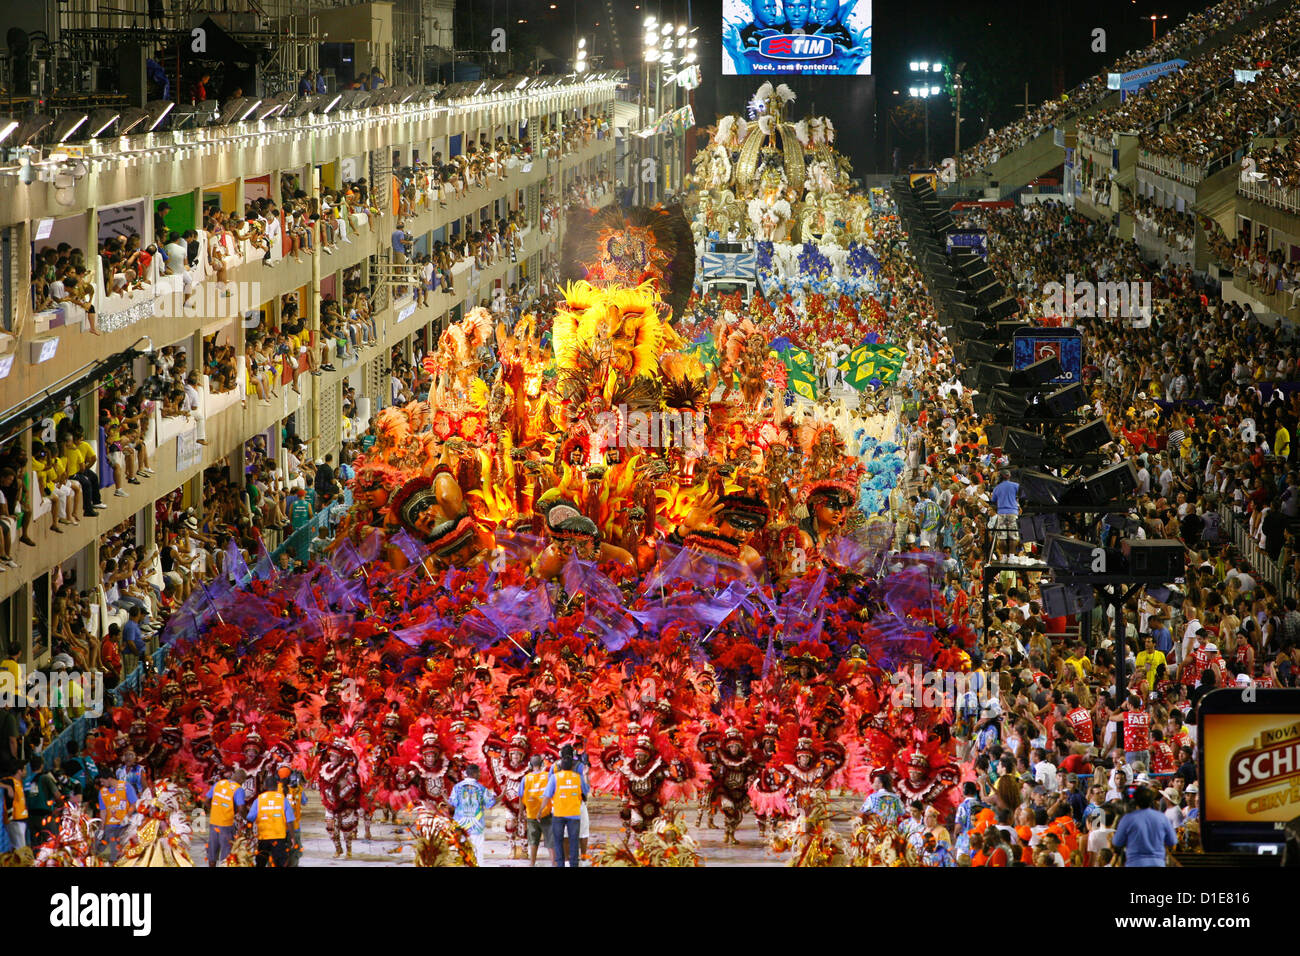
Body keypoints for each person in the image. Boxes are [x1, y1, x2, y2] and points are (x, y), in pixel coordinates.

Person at [542, 744, 588, 867]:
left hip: (558, 806)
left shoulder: (555, 766)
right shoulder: (580, 766)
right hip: (576, 806)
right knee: (579, 834)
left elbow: (549, 786)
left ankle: (562, 862)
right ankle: (579, 860)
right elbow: (585, 788)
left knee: (559, 838)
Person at [1112, 785, 1177, 867]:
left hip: (1134, 863)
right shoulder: (1162, 817)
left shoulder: (1128, 819)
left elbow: (1117, 842)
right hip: (1158, 863)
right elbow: (1172, 841)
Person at [448, 763, 496, 864]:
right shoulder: (482, 789)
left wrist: (445, 797)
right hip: (476, 825)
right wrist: (500, 795)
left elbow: (452, 803)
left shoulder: (457, 787)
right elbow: (490, 804)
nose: (480, 775)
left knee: (461, 850)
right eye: (479, 773)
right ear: (474, 773)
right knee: (478, 851)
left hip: (460, 825)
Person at [247, 771, 295, 867]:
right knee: (280, 863)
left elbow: (250, 818)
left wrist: (249, 833)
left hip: (263, 837)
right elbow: (289, 820)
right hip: (279, 838)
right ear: (277, 787)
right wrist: (292, 837)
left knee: (261, 863)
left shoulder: (259, 799)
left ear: (265, 786)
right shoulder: (283, 799)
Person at [205, 767, 246, 866]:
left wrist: (215, 810)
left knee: (212, 854)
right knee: (226, 857)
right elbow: (241, 809)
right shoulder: (238, 789)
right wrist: (246, 818)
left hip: (213, 822)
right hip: (226, 825)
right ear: (241, 780)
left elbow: (206, 801)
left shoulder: (219, 783)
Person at [97, 772, 139, 861]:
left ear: (109, 779)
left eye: (102, 781)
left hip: (125, 826)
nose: (101, 784)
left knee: (126, 853)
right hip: (110, 827)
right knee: (114, 855)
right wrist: (101, 828)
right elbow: (103, 811)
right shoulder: (102, 792)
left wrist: (128, 816)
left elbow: (134, 803)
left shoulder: (126, 787)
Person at [522, 754, 553, 867]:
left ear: (530, 765)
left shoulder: (525, 778)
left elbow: (521, 796)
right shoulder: (548, 776)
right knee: (550, 841)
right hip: (546, 813)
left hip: (531, 814)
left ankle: (532, 863)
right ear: (542, 764)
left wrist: (521, 813)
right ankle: (554, 863)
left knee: (533, 841)